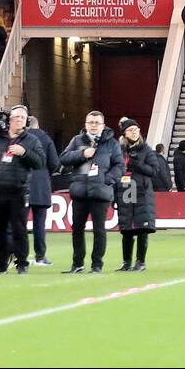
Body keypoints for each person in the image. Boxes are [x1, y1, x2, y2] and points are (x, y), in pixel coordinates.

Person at [0, 105, 45, 274]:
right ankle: (0, 263)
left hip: (18, 189)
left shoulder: (30, 140)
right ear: (10, 119)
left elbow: (40, 162)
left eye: (22, 118)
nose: (19, 120)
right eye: (16, 117)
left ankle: (22, 262)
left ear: (26, 121)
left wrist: (25, 152)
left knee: (19, 228)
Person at [59, 110, 124, 273]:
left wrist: (107, 180)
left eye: (97, 123)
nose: (93, 125)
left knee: (99, 230)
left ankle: (97, 264)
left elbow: (120, 166)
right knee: (77, 229)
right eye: (90, 122)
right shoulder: (77, 140)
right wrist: (82, 154)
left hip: (100, 192)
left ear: (103, 125)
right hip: (80, 191)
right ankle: (78, 263)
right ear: (86, 124)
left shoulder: (112, 143)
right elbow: (64, 159)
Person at [117, 118, 161, 272]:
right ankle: (126, 262)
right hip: (125, 190)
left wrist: (138, 165)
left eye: (136, 129)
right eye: (130, 130)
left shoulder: (147, 150)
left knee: (143, 228)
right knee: (127, 229)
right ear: (124, 133)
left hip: (142, 192)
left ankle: (140, 262)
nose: (134, 132)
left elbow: (155, 171)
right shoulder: (119, 150)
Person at [23, 114, 60, 266]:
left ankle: (20, 255)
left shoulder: (21, 138)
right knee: (39, 223)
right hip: (41, 185)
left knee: (20, 223)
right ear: (38, 125)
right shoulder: (46, 139)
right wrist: (45, 174)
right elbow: (54, 162)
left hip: (23, 184)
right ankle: (40, 256)